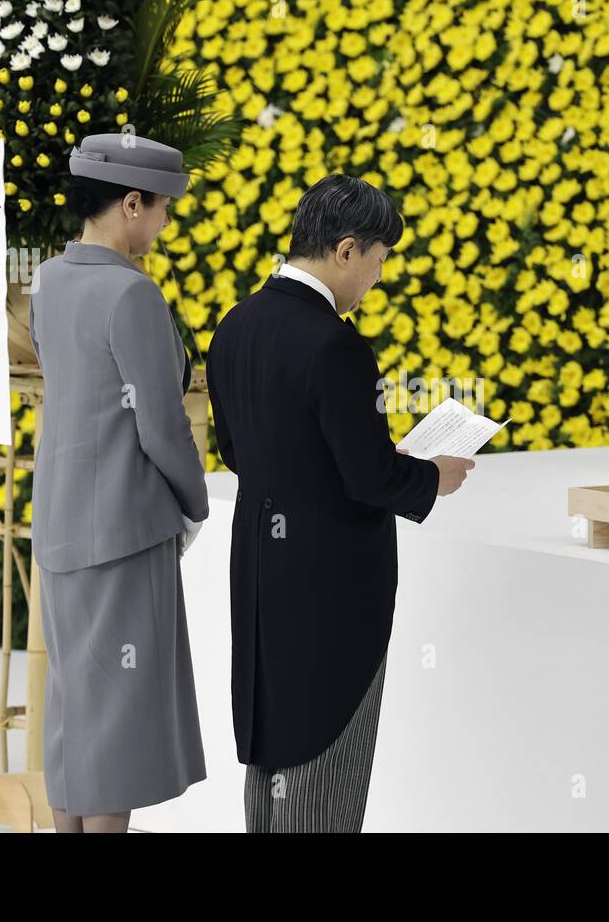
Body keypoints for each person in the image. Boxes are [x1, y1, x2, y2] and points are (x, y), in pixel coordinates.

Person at [206, 173, 475, 832]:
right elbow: (368, 480)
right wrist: (431, 476)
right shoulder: (335, 345)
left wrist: (372, 466)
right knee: (327, 761)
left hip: (262, 572)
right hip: (331, 585)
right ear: (347, 250)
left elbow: (236, 450)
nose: (376, 280)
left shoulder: (235, 326)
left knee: (271, 751)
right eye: (378, 262)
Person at [28, 132, 209, 832]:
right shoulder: (132, 293)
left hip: (63, 518)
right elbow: (161, 425)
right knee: (122, 720)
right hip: (126, 528)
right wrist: (193, 504)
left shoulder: (48, 281)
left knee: (74, 705)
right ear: (131, 203)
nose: (165, 225)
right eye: (162, 209)